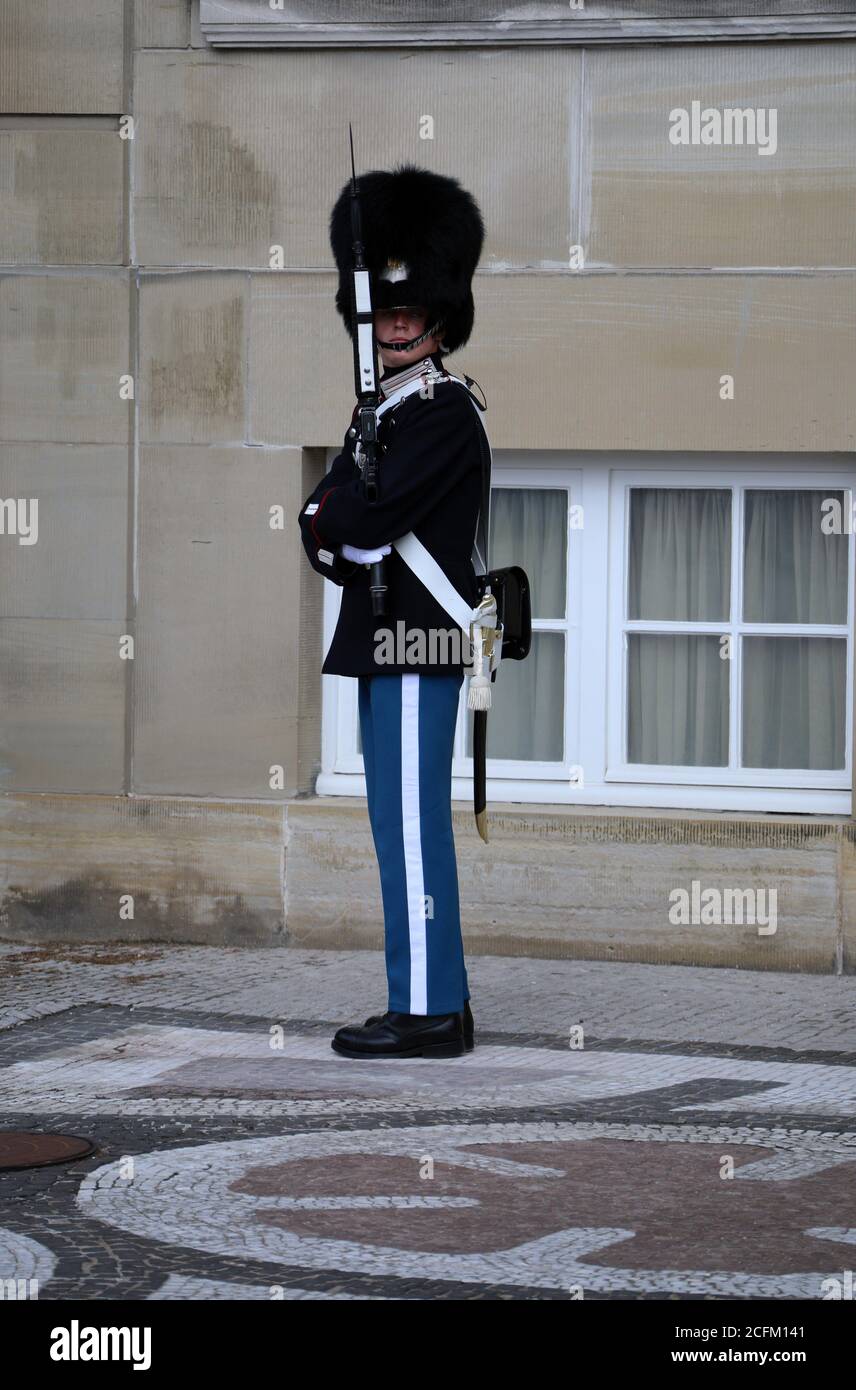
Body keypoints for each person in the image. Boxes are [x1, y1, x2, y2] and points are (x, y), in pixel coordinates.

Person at [298, 165, 486, 1059]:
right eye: (384, 308)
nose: (397, 320)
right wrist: (331, 521)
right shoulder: (380, 412)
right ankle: (424, 994)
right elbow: (325, 533)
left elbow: (359, 519)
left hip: (417, 642)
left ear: (441, 318)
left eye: (412, 310)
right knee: (392, 826)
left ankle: (430, 1013)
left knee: (412, 828)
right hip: (382, 642)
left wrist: (334, 520)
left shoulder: (443, 413)